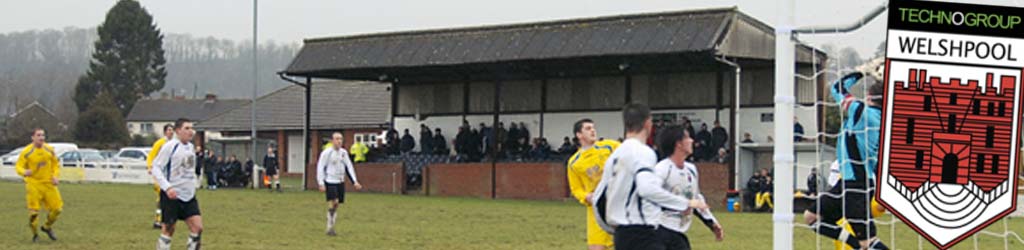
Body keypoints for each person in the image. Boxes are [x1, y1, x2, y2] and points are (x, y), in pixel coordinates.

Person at [592, 103, 706, 250]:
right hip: (642, 233)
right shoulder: (643, 152)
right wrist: (685, 203)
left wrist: (611, 228)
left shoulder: (615, 155)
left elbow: (598, 197)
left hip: (622, 235)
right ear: (648, 123)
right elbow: (647, 189)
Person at [803, 59, 889, 250]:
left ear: (868, 96)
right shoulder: (881, 119)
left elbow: (837, 87)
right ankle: (852, 243)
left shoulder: (861, 112)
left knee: (868, 242)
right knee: (812, 217)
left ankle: (859, 245)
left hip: (856, 185)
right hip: (850, 182)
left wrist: (862, 71)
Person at [654, 125, 724, 249]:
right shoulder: (662, 169)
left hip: (677, 232)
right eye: (687, 137)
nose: (692, 140)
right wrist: (681, 205)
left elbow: (696, 200)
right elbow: (649, 197)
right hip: (659, 230)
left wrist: (711, 223)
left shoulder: (691, 169)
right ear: (678, 144)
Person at [566, 119, 621, 250]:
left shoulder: (609, 146)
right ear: (579, 135)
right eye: (588, 128)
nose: (593, 130)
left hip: (618, 205)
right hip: (596, 211)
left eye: (593, 127)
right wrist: (586, 196)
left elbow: (629, 154)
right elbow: (576, 189)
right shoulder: (574, 163)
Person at [151, 118, 203, 250]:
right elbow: (156, 167)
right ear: (178, 131)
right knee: (169, 229)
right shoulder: (170, 146)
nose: (190, 131)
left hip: (188, 196)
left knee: (197, 228)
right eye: (187, 128)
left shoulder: (191, 148)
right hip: (172, 195)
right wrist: (168, 188)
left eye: (191, 128)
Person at [15, 128, 63, 242]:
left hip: (48, 184)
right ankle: (35, 235)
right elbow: (18, 166)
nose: (41, 137)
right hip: (33, 185)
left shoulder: (49, 150)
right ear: (33, 138)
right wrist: (24, 172)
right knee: (34, 214)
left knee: (57, 209)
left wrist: (55, 176)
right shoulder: (27, 152)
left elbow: (56, 164)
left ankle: (46, 227)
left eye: (43, 135)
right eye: (38, 135)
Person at [317, 132, 364, 236]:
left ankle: (331, 226)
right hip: (330, 181)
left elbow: (349, 167)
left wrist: (355, 181)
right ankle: (330, 226)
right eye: (337, 139)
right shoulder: (327, 153)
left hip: (340, 181)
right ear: (332, 141)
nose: (339, 141)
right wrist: (321, 182)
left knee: (336, 204)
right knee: (335, 201)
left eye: (341, 139)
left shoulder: (343, 153)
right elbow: (320, 167)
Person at [147, 124, 175, 229]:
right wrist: (150, 167)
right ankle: (158, 220)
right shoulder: (160, 143)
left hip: (170, 175)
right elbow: (151, 155)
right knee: (161, 197)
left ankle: (167, 218)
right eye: (169, 130)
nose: (171, 132)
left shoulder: (174, 144)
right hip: (160, 175)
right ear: (165, 132)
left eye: (172, 130)